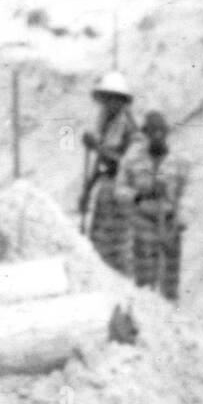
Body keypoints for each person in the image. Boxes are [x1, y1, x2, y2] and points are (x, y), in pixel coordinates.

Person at [117, 111, 189, 303]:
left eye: (161, 131)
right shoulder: (132, 159)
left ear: (166, 133)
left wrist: (180, 220)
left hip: (170, 223)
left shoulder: (179, 161)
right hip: (144, 223)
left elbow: (188, 192)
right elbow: (120, 188)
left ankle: (172, 319)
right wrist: (139, 195)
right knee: (145, 279)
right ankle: (146, 317)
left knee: (170, 281)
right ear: (146, 134)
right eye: (152, 132)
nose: (157, 136)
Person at [79, 70, 137, 277]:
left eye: (112, 99)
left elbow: (125, 163)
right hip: (105, 188)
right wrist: (87, 189)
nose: (107, 104)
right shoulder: (105, 122)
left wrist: (96, 147)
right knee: (98, 243)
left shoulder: (129, 128)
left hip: (122, 192)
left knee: (118, 246)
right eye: (105, 99)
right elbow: (100, 162)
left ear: (121, 101)